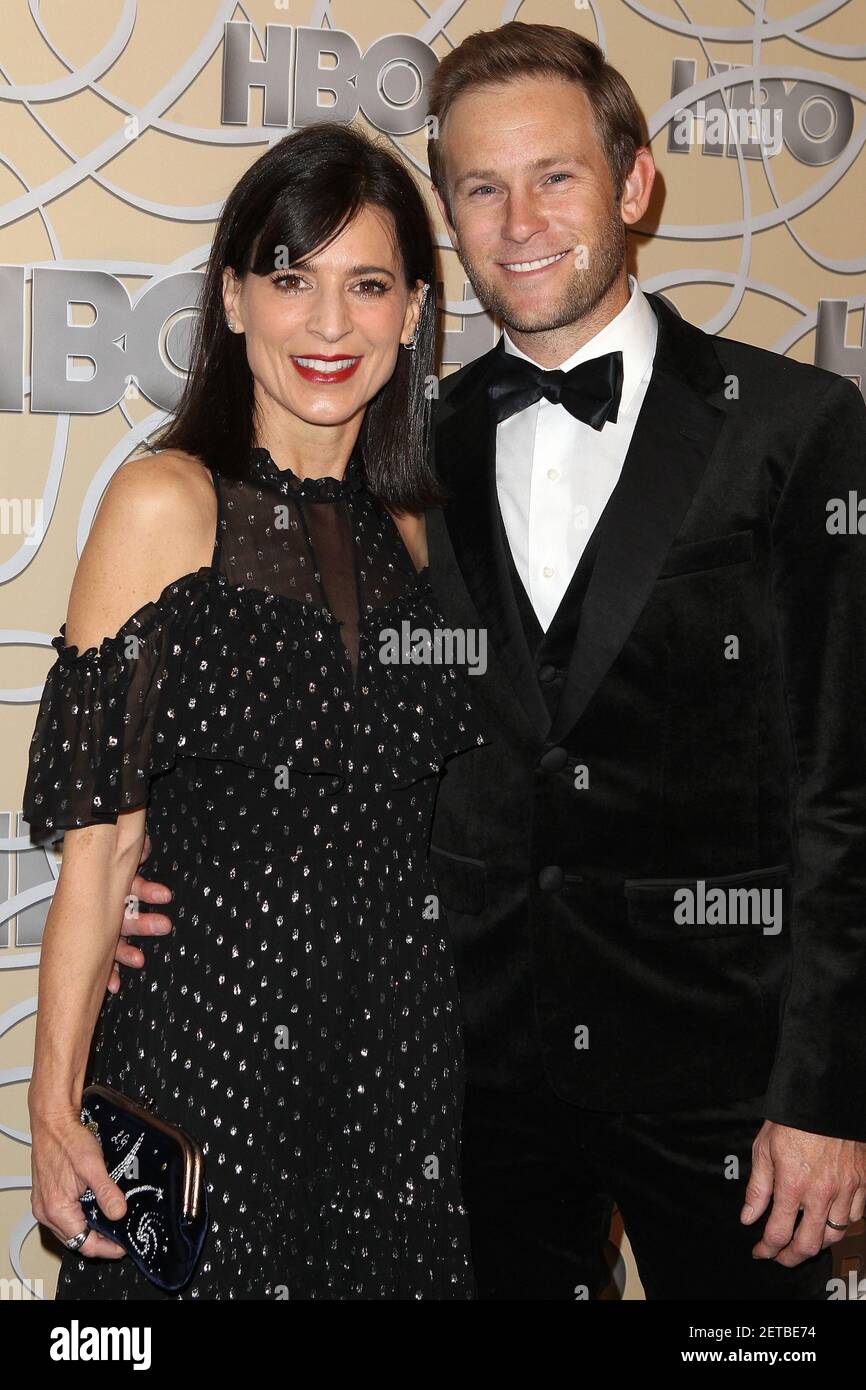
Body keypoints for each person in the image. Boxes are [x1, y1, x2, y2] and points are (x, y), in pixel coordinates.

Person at [111, 23, 866, 1301]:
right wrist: (174, 867)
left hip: (726, 1091)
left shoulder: (796, 431)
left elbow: (843, 789)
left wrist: (830, 1095)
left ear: (631, 184)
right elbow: (338, 717)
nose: (517, 220)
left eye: (554, 176)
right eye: (477, 186)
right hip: (466, 1080)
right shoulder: (408, 454)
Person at [24, 122, 485, 1300]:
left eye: (366, 284)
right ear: (232, 300)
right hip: (206, 1041)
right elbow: (100, 851)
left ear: (412, 310)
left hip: (392, 1053)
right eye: (290, 279)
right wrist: (51, 1097)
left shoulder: (424, 533)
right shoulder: (163, 503)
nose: (329, 325)